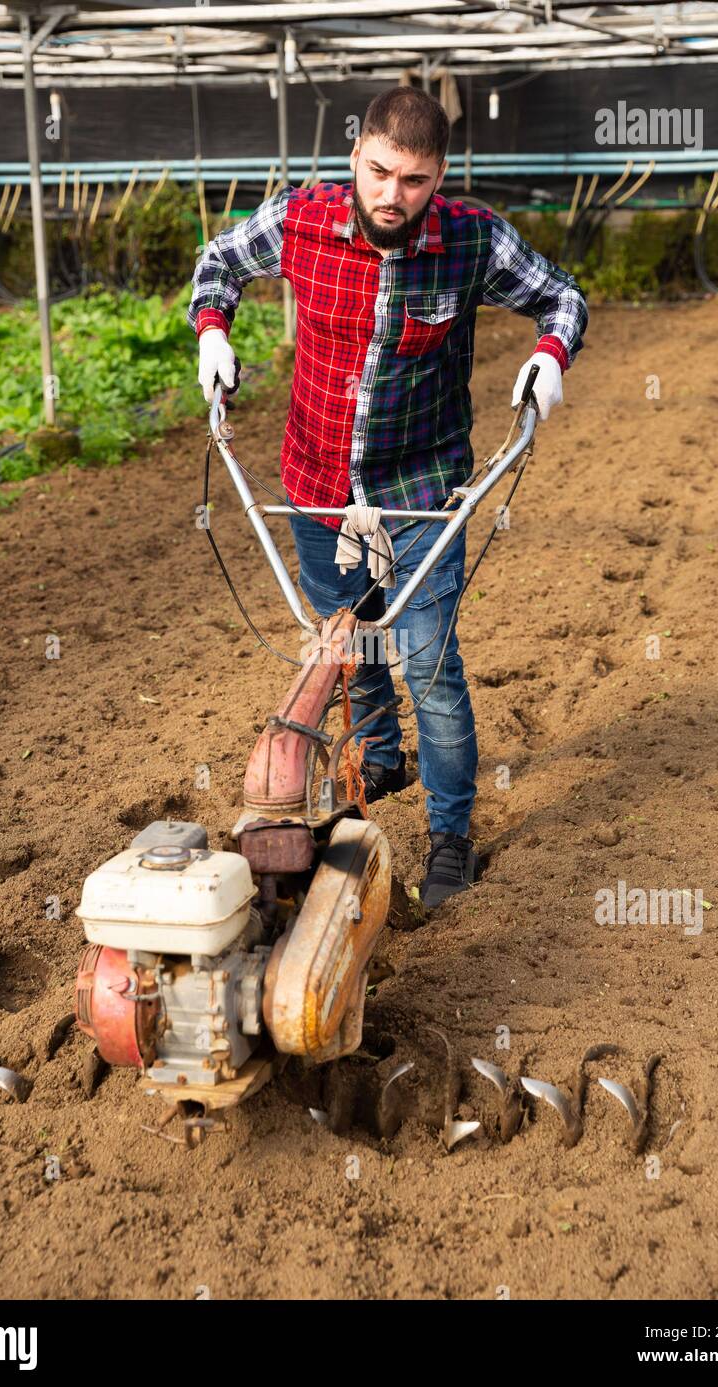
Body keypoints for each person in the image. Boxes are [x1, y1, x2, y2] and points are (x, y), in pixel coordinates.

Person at [187, 86, 588, 908]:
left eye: (412, 180)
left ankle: (450, 836)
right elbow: (219, 262)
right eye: (378, 172)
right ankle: (378, 756)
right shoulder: (301, 220)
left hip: (423, 493)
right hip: (318, 483)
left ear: (439, 174)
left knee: (431, 667)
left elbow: (563, 296)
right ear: (354, 158)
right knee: (347, 643)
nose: (391, 195)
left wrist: (550, 355)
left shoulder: (471, 241)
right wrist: (214, 332)